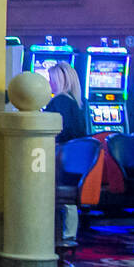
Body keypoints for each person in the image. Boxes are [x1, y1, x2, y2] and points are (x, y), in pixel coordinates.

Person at [45, 62, 85, 247]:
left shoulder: (59, 101)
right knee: (69, 201)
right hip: (75, 165)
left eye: (51, 79)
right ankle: (69, 235)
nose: (49, 83)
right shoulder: (75, 101)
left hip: (61, 162)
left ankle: (54, 235)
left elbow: (54, 132)